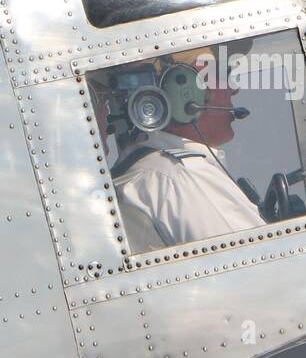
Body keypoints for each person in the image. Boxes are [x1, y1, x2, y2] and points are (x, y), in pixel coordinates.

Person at [109, 47, 264, 252]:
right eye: (218, 73)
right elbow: (257, 267)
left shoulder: (149, 171)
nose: (233, 88)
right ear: (183, 92)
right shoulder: (180, 177)